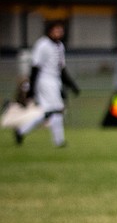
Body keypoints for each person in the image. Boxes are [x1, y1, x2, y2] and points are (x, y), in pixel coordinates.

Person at [13, 20, 79, 148]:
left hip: (55, 82)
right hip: (44, 82)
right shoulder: (42, 44)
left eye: (60, 30)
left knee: (50, 111)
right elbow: (35, 68)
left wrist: (71, 85)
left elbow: (61, 69)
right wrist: (31, 89)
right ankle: (58, 141)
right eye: (56, 30)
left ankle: (21, 130)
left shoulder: (60, 46)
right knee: (57, 109)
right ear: (50, 31)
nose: (58, 33)